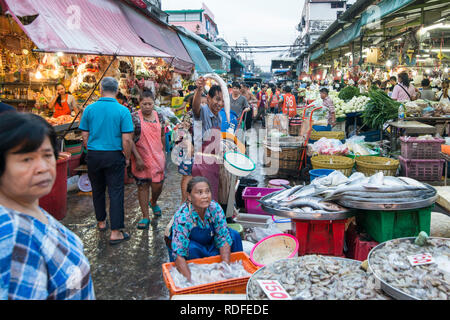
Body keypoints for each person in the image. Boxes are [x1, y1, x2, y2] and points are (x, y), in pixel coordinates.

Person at [0, 112, 95, 299]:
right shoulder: (11, 237)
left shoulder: (29, 209)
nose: (42, 167)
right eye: (26, 159)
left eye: (47, 155)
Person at [79, 77, 134, 245]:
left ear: (100, 90)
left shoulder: (89, 109)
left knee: (97, 190)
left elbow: (84, 135)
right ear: (117, 91)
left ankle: (101, 222)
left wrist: (91, 150)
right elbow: (126, 140)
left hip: (94, 155)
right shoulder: (123, 111)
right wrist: (127, 157)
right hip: (114, 155)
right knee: (115, 192)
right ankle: (115, 232)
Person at [164, 177, 243, 280]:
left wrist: (225, 270)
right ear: (189, 196)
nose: (205, 196)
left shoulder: (215, 208)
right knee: (191, 249)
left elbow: (223, 239)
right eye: (199, 193)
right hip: (188, 247)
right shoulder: (183, 217)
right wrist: (190, 282)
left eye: (207, 191)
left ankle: (236, 275)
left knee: (234, 235)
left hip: (207, 241)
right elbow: (179, 254)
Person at [130, 91, 166, 230]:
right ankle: (145, 216)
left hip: (157, 157)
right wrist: (137, 158)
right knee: (143, 186)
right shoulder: (134, 118)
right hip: (141, 158)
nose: (147, 106)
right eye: (144, 104)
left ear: (154, 102)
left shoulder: (159, 116)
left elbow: (162, 134)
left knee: (158, 185)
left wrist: (163, 152)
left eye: (150, 103)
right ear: (139, 103)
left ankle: (154, 201)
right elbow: (130, 139)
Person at [191, 77, 223, 202]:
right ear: (208, 98)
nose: (220, 104)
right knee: (201, 200)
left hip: (212, 164)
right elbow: (195, 108)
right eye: (217, 99)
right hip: (201, 164)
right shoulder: (203, 110)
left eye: (223, 101)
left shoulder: (219, 116)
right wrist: (198, 90)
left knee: (211, 199)